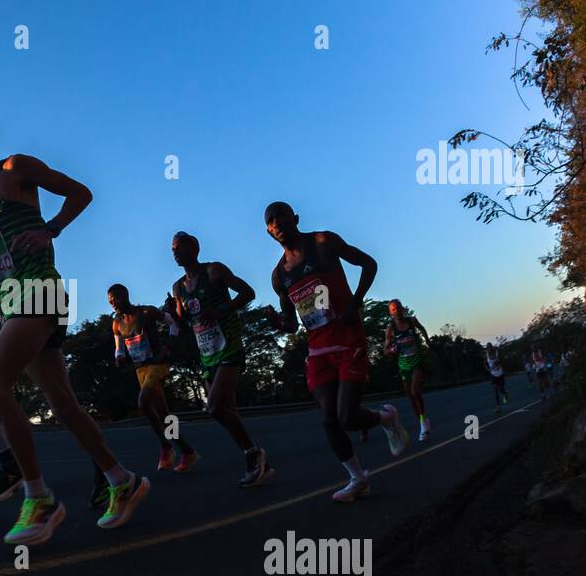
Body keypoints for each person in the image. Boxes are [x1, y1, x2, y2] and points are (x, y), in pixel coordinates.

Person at [0, 118, 149, 544]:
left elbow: (81, 193)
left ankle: (39, 498)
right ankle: (122, 480)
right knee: (62, 403)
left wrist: (51, 228)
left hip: (40, 292)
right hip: (10, 306)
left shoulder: (14, 168)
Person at [260, 201, 408, 503]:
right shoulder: (279, 276)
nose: (275, 224)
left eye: (280, 216)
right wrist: (278, 322)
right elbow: (291, 324)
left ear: (295, 218)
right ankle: (358, 478)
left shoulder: (323, 243)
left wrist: (355, 302)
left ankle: (386, 418)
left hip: (347, 338)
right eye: (269, 222)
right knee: (329, 420)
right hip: (317, 349)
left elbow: (369, 264)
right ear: (268, 232)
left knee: (347, 417)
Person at [170, 232, 272, 486]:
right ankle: (260, 465)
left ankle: (253, 453)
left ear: (194, 247)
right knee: (228, 411)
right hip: (208, 354)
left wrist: (222, 309)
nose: (174, 252)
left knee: (214, 408)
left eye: (179, 247)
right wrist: (172, 313)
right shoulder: (178, 287)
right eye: (172, 249)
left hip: (230, 347)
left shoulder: (214, 271)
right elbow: (185, 320)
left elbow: (248, 292)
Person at [108, 283, 200, 474]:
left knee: (143, 403)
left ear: (125, 296)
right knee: (163, 415)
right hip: (140, 369)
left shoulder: (147, 312)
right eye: (110, 301)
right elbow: (119, 348)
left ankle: (165, 448)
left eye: (116, 298)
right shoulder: (117, 323)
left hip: (157, 364)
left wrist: (169, 346)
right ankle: (187, 451)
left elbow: (174, 324)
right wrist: (119, 358)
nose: (113, 303)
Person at [383, 299, 432, 441]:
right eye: (393, 309)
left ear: (402, 308)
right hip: (404, 365)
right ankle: (423, 420)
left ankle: (423, 423)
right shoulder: (391, 328)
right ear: (390, 313)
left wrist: (427, 340)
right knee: (411, 398)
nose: (396, 311)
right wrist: (392, 349)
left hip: (417, 361)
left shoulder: (411, 321)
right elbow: (385, 350)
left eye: (398, 307)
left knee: (415, 391)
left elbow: (422, 328)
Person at [484, 342, 509, 414]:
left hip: (500, 374)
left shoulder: (497, 353)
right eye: (488, 348)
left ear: (492, 347)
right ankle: (498, 407)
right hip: (493, 375)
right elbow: (485, 364)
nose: (489, 349)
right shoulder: (486, 355)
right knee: (495, 390)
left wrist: (498, 363)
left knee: (501, 390)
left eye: (490, 347)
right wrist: (489, 370)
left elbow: (502, 361)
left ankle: (506, 394)